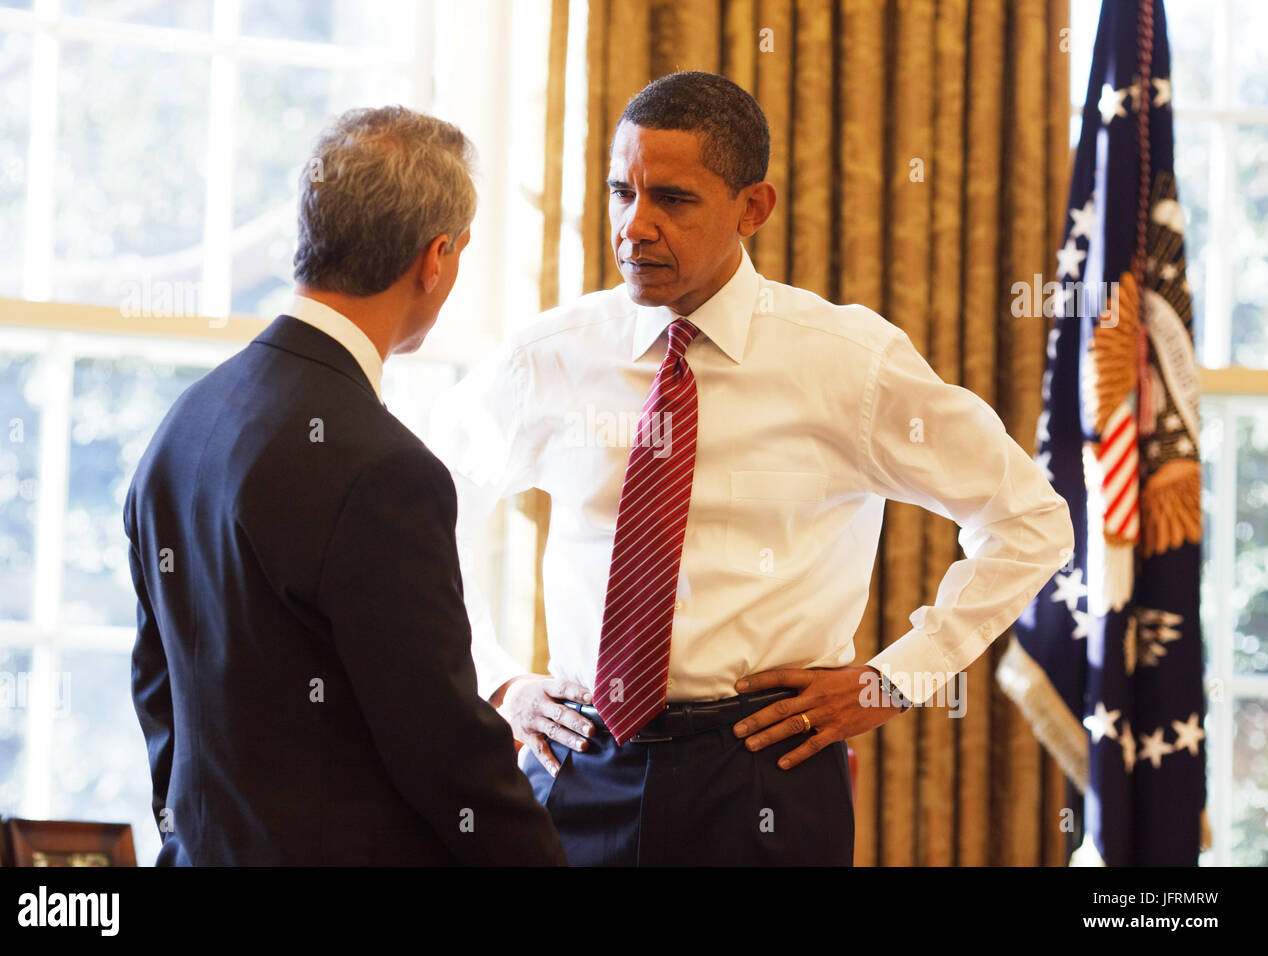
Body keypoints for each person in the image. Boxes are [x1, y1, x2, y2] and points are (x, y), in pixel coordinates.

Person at [429, 71, 1074, 866]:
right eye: (621, 192)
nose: (636, 226)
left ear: (753, 208)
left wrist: (894, 679)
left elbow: (1031, 521)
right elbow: (419, 516)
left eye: (673, 198)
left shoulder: (848, 364)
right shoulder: (551, 357)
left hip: (764, 772)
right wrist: (497, 681)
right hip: (577, 761)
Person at [125, 105, 566, 866]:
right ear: (435, 259)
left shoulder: (183, 425)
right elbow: (448, 756)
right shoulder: (386, 472)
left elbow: (158, 691)